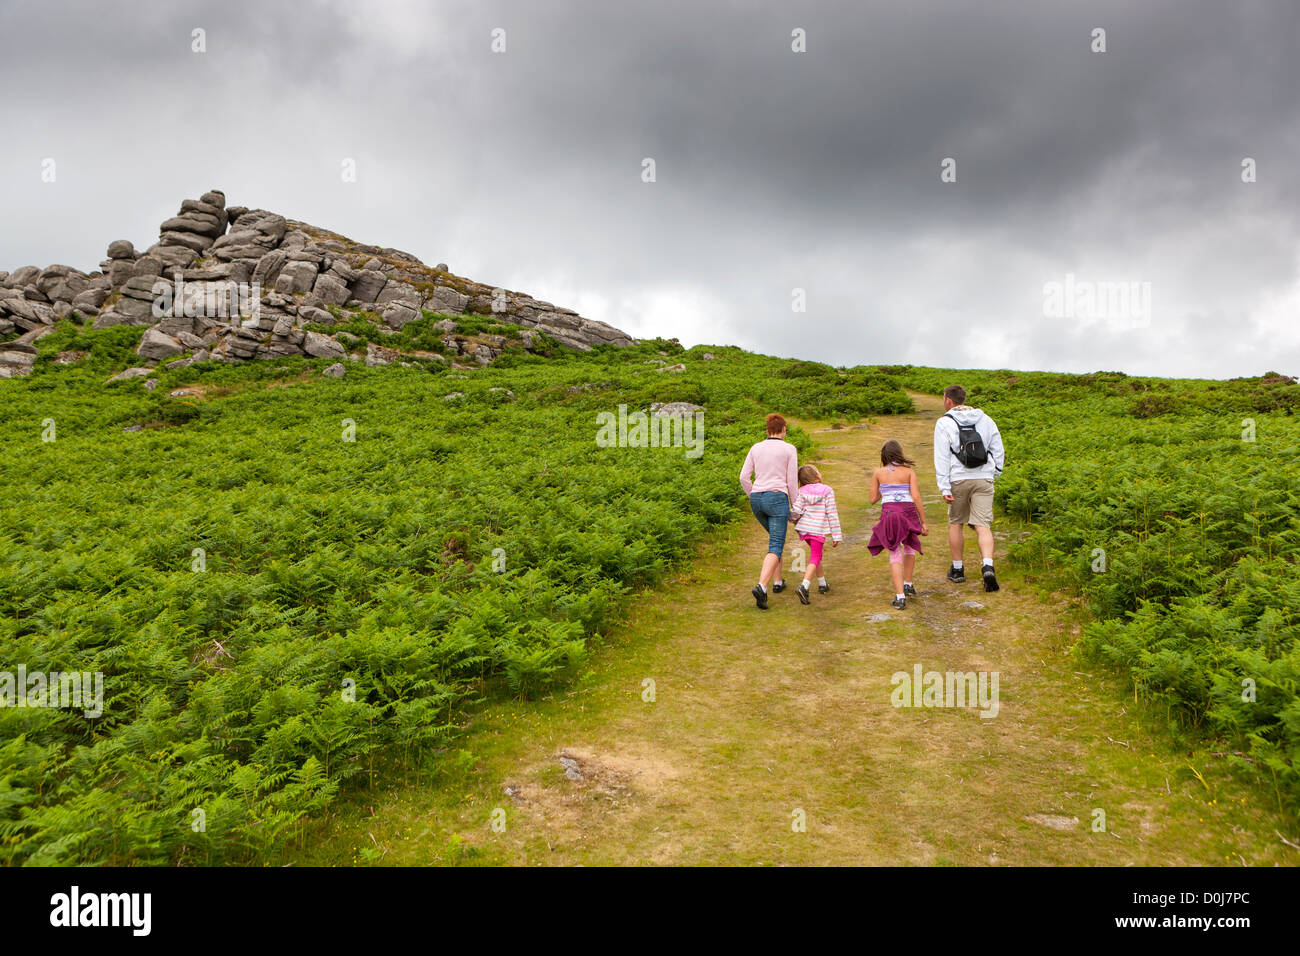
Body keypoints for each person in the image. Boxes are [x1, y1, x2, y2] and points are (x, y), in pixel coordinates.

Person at [934, 384, 1005, 592]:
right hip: (983, 477)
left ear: (948, 400)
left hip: (958, 478)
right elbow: (997, 448)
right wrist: (995, 471)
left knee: (956, 523)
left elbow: (942, 456)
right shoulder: (986, 419)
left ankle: (958, 570)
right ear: (964, 399)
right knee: (983, 525)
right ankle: (988, 566)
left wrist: (944, 487)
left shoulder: (944, 422)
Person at [739, 413, 800, 610]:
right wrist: (796, 508)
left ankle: (778, 581)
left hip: (757, 498)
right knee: (776, 543)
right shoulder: (789, 449)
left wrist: (753, 495)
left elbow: (743, 477)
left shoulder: (755, 448)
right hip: (776, 497)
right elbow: (792, 482)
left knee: (775, 539)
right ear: (784, 430)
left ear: (767, 431)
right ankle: (762, 587)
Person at [867, 440, 928, 609]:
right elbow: (916, 497)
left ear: (884, 455)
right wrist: (923, 521)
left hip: (890, 514)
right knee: (909, 547)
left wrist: (885, 489)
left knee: (894, 552)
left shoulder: (878, 473)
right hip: (907, 513)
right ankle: (908, 583)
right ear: (899, 453)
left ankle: (900, 596)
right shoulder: (909, 472)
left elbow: (872, 499)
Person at [788, 464, 842, 604]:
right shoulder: (827, 491)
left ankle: (822, 583)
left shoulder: (801, 492)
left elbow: (796, 511)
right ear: (816, 475)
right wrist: (836, 535)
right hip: (818, 529)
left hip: (805, 529)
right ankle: (804, 586)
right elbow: (832, 513)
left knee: (816, 555)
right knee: (816, 556)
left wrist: (790, 518)